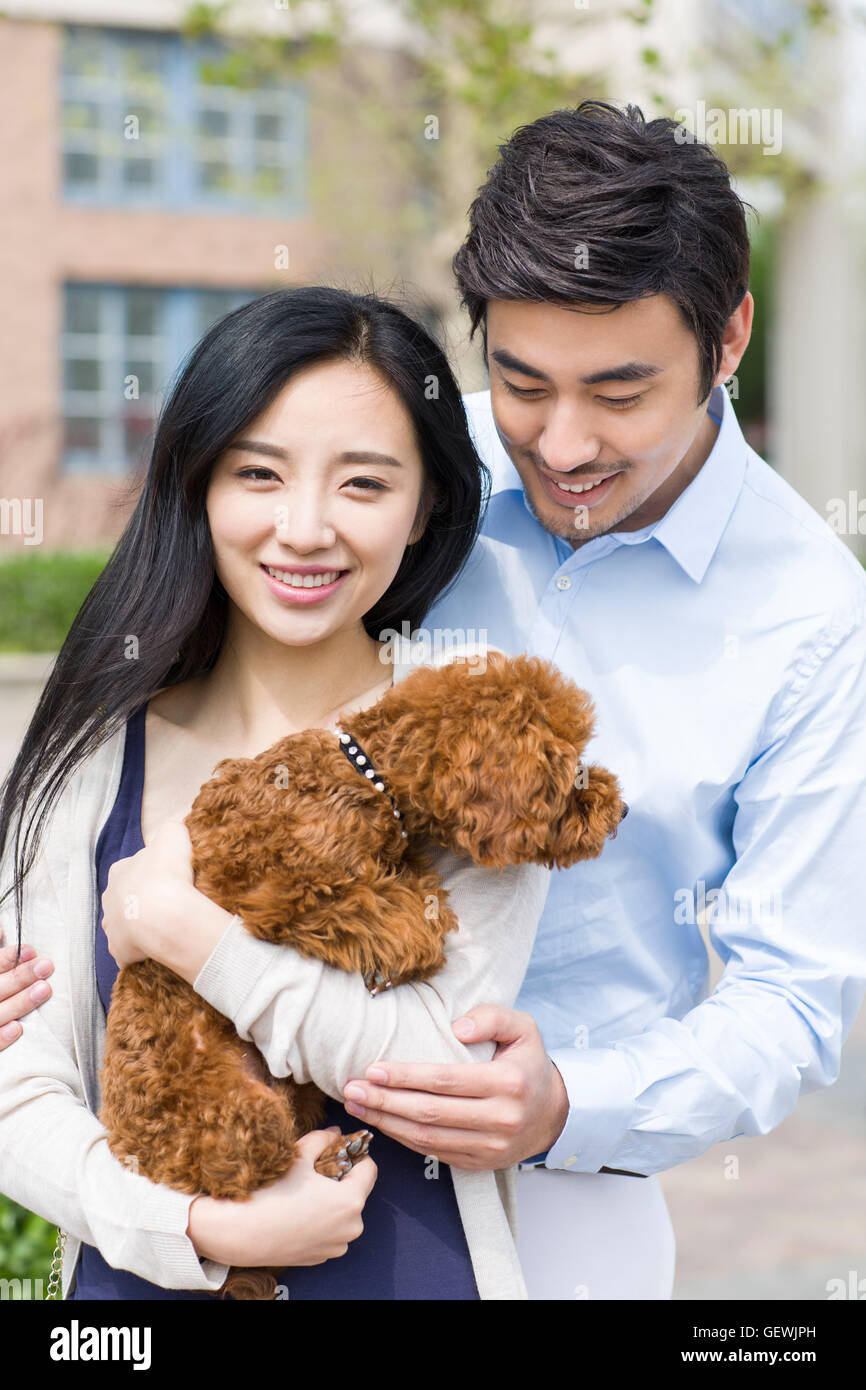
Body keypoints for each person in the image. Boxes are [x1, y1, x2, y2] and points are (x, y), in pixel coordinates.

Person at [0, 285, 553, 1300]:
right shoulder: (88, 758)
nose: (303, 529)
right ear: (199, 483)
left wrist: (193, 939)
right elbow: (17, 1089)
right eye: (258, 473)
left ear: (426, 501)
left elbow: (433, 1062)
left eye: (363, 484)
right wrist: (200, 1227)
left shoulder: (470, 751)